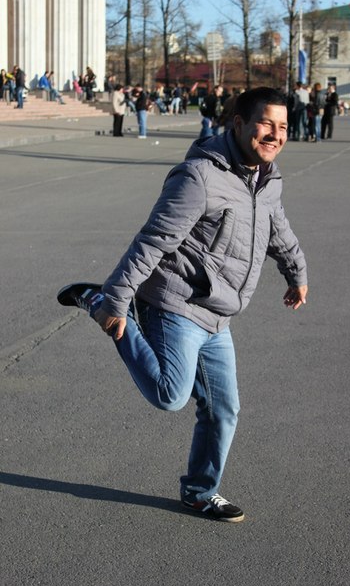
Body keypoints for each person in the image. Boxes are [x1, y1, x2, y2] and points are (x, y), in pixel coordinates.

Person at [57, 87, 308, 523]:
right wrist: (117, 297)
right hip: (175, 302)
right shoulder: (199, 176)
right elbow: (154, 240)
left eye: (283, 126)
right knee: (170, 394)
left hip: (218, 313)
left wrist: (297, 273)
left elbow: (278, 231)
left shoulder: (267, 179)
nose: (275, 134)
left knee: (223, 409)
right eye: (266, 123)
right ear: (240, 124)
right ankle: (98, 301)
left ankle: (198, 492)